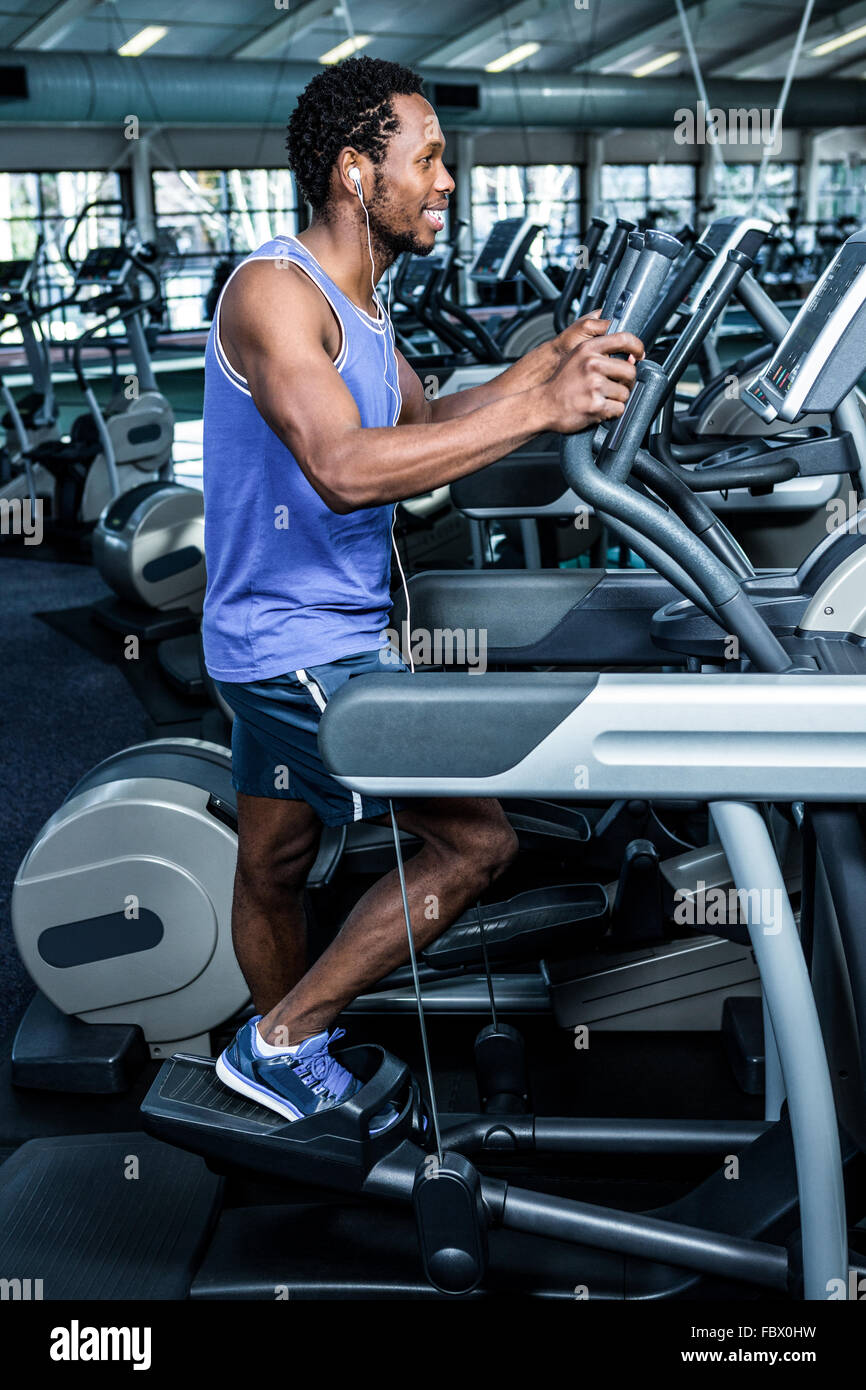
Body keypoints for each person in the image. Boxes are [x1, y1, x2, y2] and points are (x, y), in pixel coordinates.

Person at [202, 55, 642, 1126]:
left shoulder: (364, 308)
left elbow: (427, 426)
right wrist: (539, 413)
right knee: (476, 842)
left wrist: (545, 369)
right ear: (356, 173)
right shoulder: (274, 291)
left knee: (276, 857)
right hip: (295, 647)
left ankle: (282, 1062)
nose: (446, 180)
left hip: (308, 637)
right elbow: (347, 465)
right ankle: (282, 1039)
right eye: (428, 158)